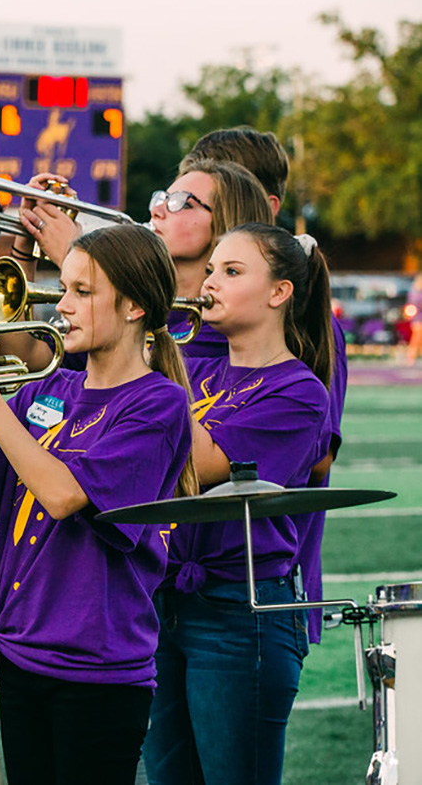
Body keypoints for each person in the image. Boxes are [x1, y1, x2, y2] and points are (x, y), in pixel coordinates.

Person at [0, 223, 196, 785]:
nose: (61, 305)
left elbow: (64, 495)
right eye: (63, 288)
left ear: (136, 305)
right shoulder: (46, 391)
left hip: (97, 668)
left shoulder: (158, 403)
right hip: (21, 656)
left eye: (82, 292)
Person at [144, 223, 334, 785]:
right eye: (210, 271)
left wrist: (155, 349)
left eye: (231, 271)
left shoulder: (300, 392)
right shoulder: (197, 370)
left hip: (240, 612)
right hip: (163, 601)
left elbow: (194, 469)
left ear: (279, 293)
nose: (209, 283)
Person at [178, 128, 349, 643]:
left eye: (193, 202)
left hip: (250, 584)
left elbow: (316, 457)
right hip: (173, 582)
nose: (169, 211)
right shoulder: (193, 335)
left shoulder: (296, 374)